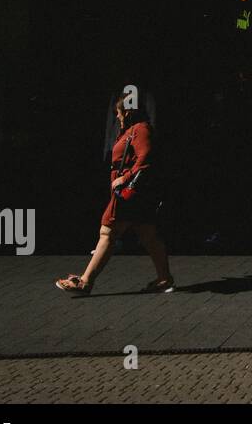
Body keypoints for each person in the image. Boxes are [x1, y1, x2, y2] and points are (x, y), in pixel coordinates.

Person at [56, 93, 173, 295]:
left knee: (108, 232)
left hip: (130, 194)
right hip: (135, 194)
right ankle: (164, 279)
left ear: (127, 112)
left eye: (118, 112)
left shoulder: (140, 129)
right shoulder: (130, 130)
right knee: (148, 235)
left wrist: (125, 178)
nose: (117, 117)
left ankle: (85, 282)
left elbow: (146, 158)